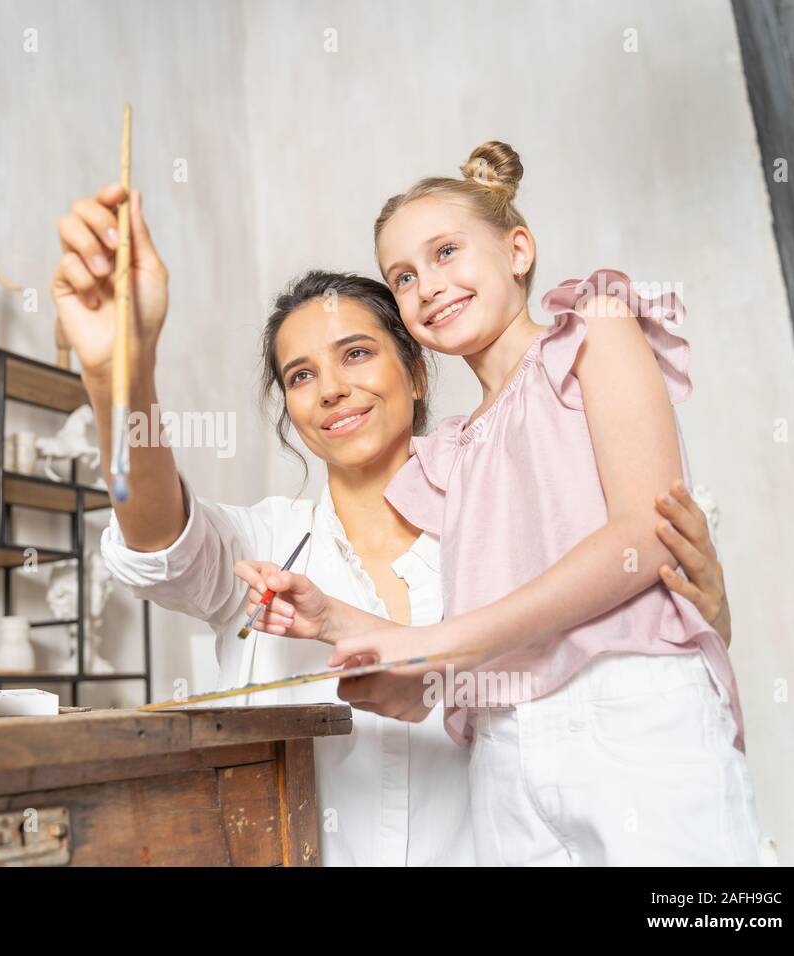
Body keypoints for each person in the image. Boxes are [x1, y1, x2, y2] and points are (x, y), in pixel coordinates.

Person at [49, 182, 735, 866]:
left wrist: (700, 609)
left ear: (417, 372)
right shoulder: (268, 549)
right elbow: (158, 541)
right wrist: (121, 376)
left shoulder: (501, 513)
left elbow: (619, 602)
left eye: (355, 354)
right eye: (299, 376)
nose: (331, 390)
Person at [250, 141, 764, 865]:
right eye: (404, 276)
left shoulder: (595, 331)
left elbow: (643, 538)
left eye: (447, 252)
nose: (428, 285)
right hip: (503, 748)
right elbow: (441, 664)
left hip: (627, 710)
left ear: (517, 249)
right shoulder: (453, 454)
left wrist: (449, 643)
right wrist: (333, 618)